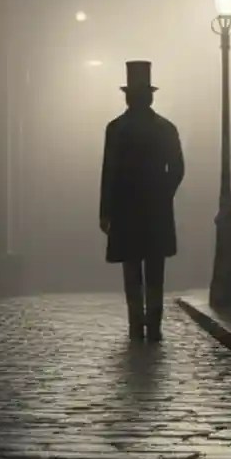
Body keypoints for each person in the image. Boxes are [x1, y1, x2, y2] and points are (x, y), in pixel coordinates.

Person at [100, 60, 185, 341]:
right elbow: (177, 168)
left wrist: (106, 211)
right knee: (155, 267)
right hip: (155, 208)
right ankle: (153, 321)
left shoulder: (115, 129)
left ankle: (136, 321)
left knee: (132, 268)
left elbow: (108, 173)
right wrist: (163, 193)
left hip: (125, 208)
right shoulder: (165, 128)